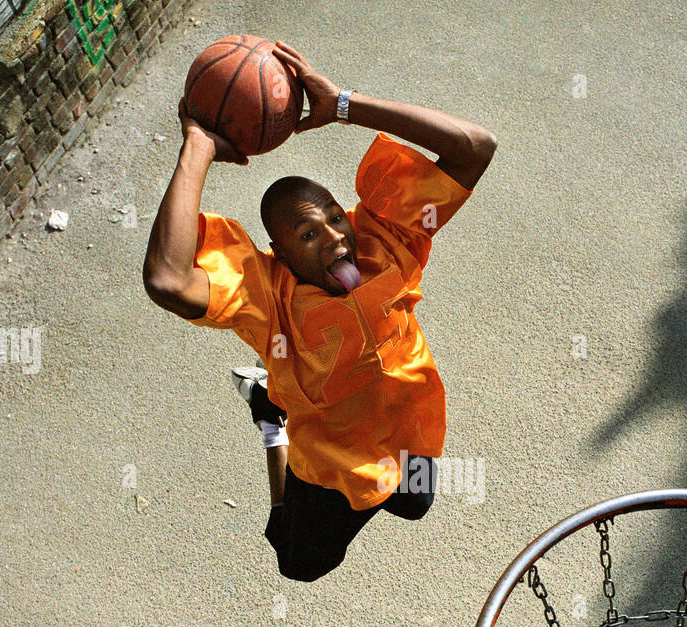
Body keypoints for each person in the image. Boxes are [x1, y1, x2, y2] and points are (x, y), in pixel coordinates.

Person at [143, 41, 496, 581]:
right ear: (278, 255)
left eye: (335, 216)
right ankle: (271, 422)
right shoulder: (266, 295)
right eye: (308, 234)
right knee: (300, 565)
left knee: (414, 506)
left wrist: (346, 105)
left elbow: (477, 146)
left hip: (413, 434)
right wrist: (197, 145)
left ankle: (268, 399)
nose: (336, 238)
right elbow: (167, 279)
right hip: (330, 473)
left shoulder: (385, 236)